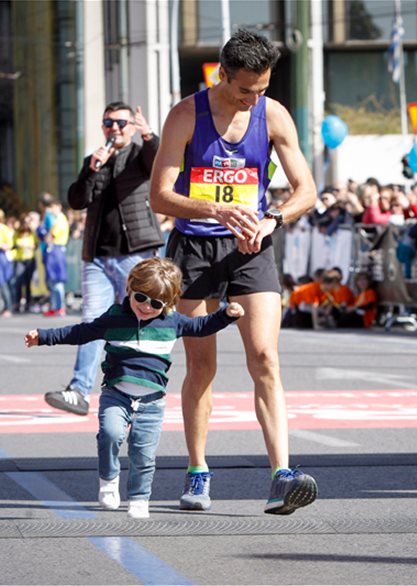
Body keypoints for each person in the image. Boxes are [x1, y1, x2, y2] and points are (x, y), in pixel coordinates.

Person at [149, 28, 318, 515]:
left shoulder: (273, 114)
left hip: (252, 248)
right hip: (195, 250)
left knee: (265, 355)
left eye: (261, 89)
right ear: (221, 74)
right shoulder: (186, 115)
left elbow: (306, 190)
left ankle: (282, 475)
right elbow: (159, 196)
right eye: (245, 89)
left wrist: (271, 220)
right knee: (202, 365)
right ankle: (198, 470)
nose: (253, 98)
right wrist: (214, 210)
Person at [24, 257, 244, 519]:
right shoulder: (115, 318)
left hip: (152, 401)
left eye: (155, 303)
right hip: (116, 394)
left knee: (143, 454)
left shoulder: (172, 323)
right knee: (110, 433)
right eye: (140, 298)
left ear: (168, 304)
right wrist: (44, 337)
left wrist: (225, 315)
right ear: (129, 289)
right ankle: (109, 478)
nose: (146, 307)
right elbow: (81, 332)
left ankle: (139, 497)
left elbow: (201, 326)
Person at [43, 101, 165, 417]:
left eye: (121, 123)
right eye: (109, 123)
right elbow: (76, 199)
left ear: (132, 126)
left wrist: (149, 134)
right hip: (97, 257)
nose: (115, 129)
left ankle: (141, 389)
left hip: (134, 253)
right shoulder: (95, 160)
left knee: (139, 323)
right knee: (93, 323)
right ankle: (79, 391)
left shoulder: (140, 155)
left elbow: (159, 163)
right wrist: (90, 169)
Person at [38, 198, 71, 317]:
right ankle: (55, 306)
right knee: (52, 281)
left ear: (59, 206)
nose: (51, 210)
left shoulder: (61, 219)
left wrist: (47, 235)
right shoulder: (56, 219)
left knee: (57, 280)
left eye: (53, 207)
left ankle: (60, 307)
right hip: (53, 250)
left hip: (57, 250)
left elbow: (50, 236)